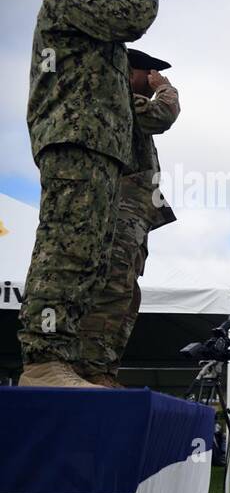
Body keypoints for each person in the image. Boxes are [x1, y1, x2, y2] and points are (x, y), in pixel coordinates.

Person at [19, 0, 161, 387]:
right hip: (73, 143)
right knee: (66, 248)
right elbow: (132, 20)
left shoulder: (101, 29)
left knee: (92, 260)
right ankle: (43, 357)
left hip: (101, 153)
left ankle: (75, 362)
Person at [74, 48, 179, 384]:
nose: (153, 77)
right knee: (112, 288)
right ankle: (92, 370)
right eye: (147, 72)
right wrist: (166, 89)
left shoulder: (128, 102)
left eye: (156, 74)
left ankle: (104, 369)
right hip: (116, 208)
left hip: (132, 212)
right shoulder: (115, 94)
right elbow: (162, 115)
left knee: (126, 292)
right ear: (129, 71)